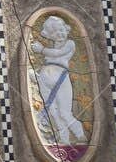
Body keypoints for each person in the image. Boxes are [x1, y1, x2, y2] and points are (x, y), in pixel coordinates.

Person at [30, 15, 85, 148]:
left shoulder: (70, 44)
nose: (59, 34)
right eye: (55, 32)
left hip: (61, 78)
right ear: (50, 35)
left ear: (66, 30)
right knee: (53, 112)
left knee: (64, 112)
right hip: (45, 77)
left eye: (61, 30)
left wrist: (42, 50)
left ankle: (80, 135)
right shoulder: (53, 45)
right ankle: (64, 139)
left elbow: (57, 54)